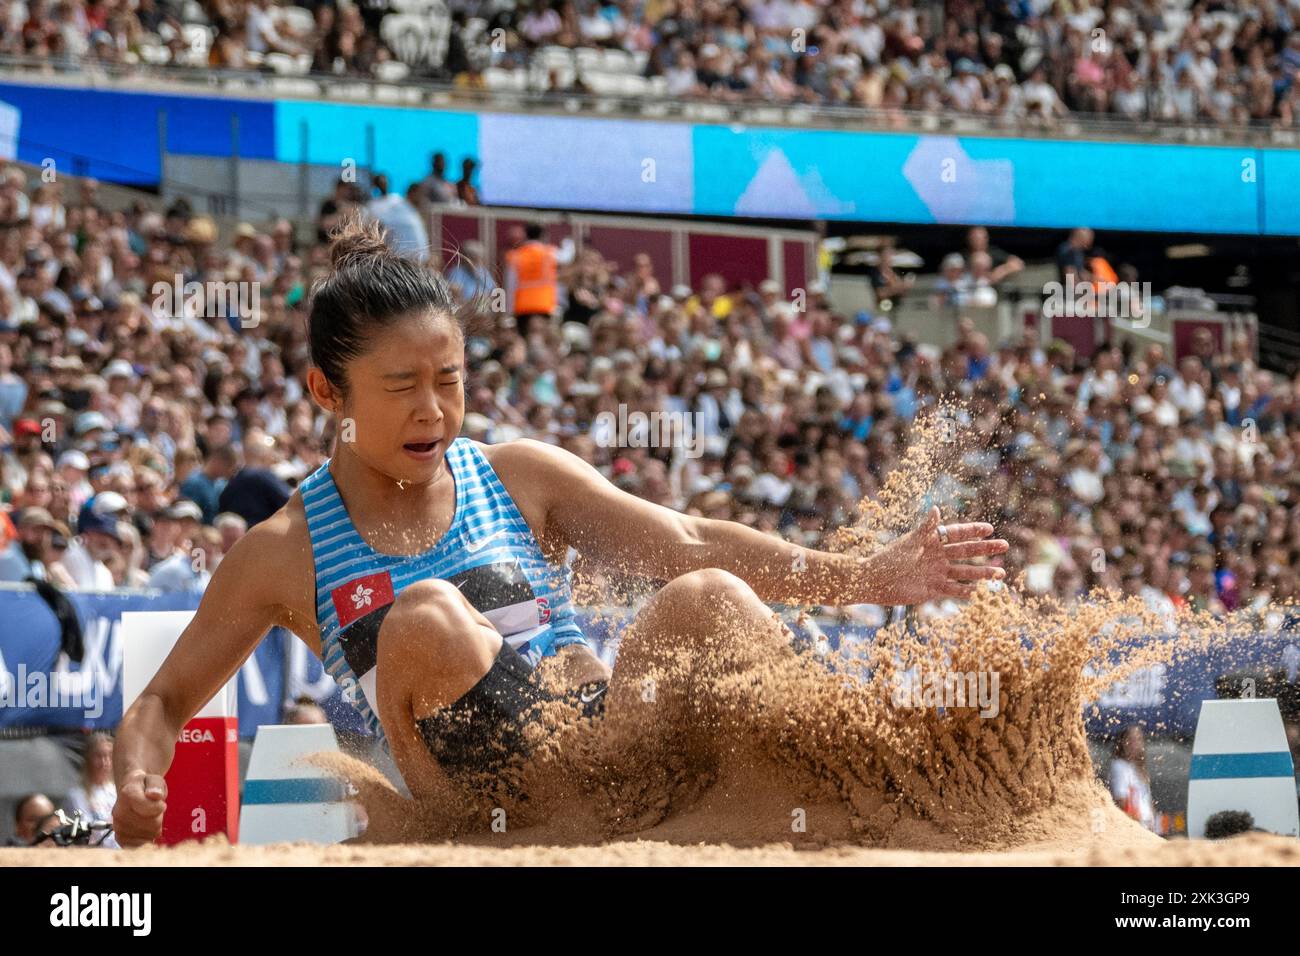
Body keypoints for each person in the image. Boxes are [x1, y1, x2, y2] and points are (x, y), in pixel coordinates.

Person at [111, 218, 1008, 846]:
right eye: (401, 388)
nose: (435, 412)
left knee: (708, 597)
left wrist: (868, 576)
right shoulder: (284, 549)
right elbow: (158, 706)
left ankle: (883, 782)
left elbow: (688, 539)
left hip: (611, 747)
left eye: (451, 380)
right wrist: (136, 781)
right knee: (423, 618)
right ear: (327, 394)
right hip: (485, 799)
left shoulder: (517, 473)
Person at [504, 222, 559, 336]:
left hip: (522, 308)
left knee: (525, 339)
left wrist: (508, 311)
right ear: (543, 235)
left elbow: (510, 286)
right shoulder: (550, 254)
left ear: (526, 235)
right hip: (545, 305)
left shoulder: (515, 256)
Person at [1109, 724, 1156, 832]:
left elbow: (1147, 800)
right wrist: (1136, 824)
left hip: (1147, 826)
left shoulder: (1138, 768)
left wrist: (1152, 821)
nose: (1136, 744)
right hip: (1135, 827)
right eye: (1131, 739)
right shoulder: (1119, 766)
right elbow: (1121, 800)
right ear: (1123, 743)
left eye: (1139, 739)